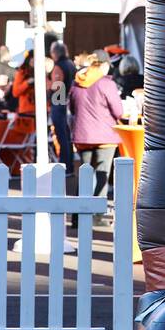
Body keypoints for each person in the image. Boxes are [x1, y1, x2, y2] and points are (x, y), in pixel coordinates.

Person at [68, 50, 123, 222]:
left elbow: (71, 107)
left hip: (83, 134)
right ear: (104, 65)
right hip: (105, 135)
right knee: (102, 174)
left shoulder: (77, 82)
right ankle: (98, 215)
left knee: (84, 174)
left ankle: (77, 215)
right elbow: (119, 111)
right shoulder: (107, 84)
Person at [49, 41, 78, 175]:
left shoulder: (59, 66)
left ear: (54, 53)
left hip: (60, 103)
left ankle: (65, 165)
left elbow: (58, 86)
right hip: (69, 103)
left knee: (62, 136)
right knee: (67, 137)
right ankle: (69, 165)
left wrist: (47, 84)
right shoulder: (71, 64)